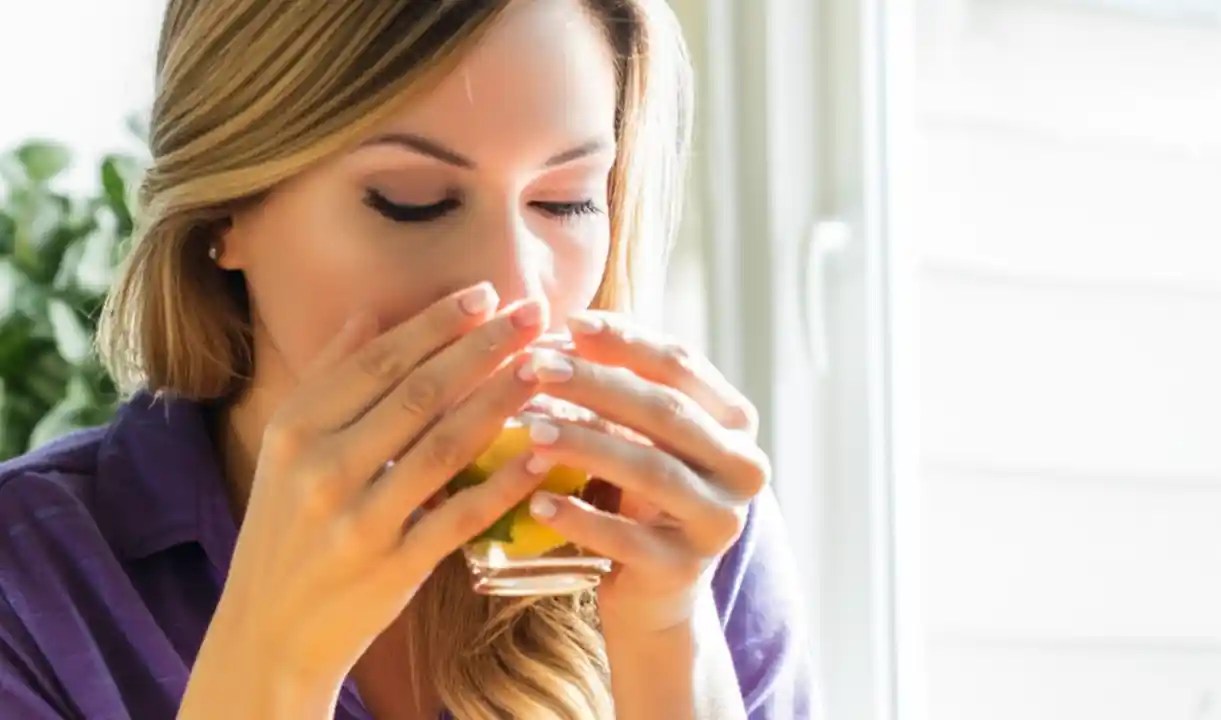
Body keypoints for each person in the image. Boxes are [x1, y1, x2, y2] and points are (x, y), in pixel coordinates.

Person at [0, 1, 815, 718]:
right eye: (412, 202)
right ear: (223, 213)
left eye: (565, 201)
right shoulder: (32, 585)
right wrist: (273, 662)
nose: (514, 286)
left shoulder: (679, 526)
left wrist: (669, 634)